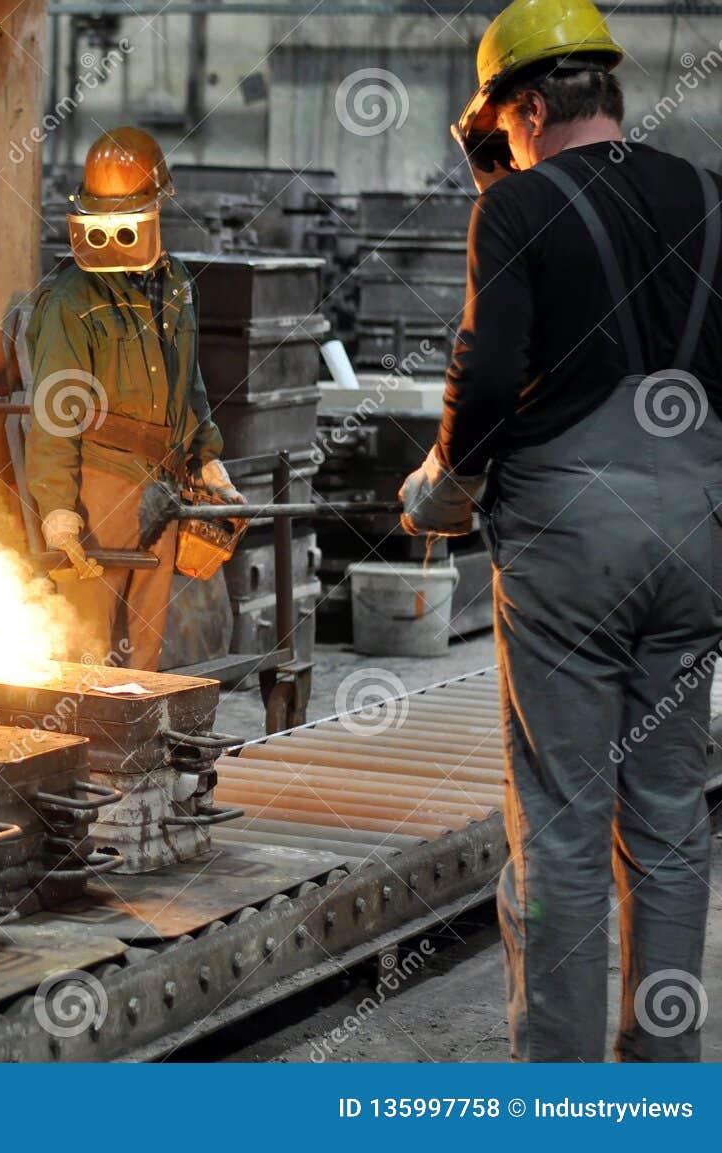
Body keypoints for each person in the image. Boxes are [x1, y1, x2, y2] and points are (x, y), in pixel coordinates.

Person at [403, 0, 720, 1061]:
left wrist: (443, 482)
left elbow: (487, 374)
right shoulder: (710, 198)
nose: (507, 148)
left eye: (507, 127)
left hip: (572, 544)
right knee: (671, 815)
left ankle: (561, 1097)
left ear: (531, 107)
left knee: (564, 824)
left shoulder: (519, 208)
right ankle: (662, 1077)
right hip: (699, 537)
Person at [25, 127, 240, 671]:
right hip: (99, 487)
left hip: (162, 484)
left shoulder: (176, 284)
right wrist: (57, 511)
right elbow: (51, 414)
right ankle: (76, 747)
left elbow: (189, 384)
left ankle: (137, 750)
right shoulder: (70, 301)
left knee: (144, 648)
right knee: (86, 647)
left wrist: (206, 457)